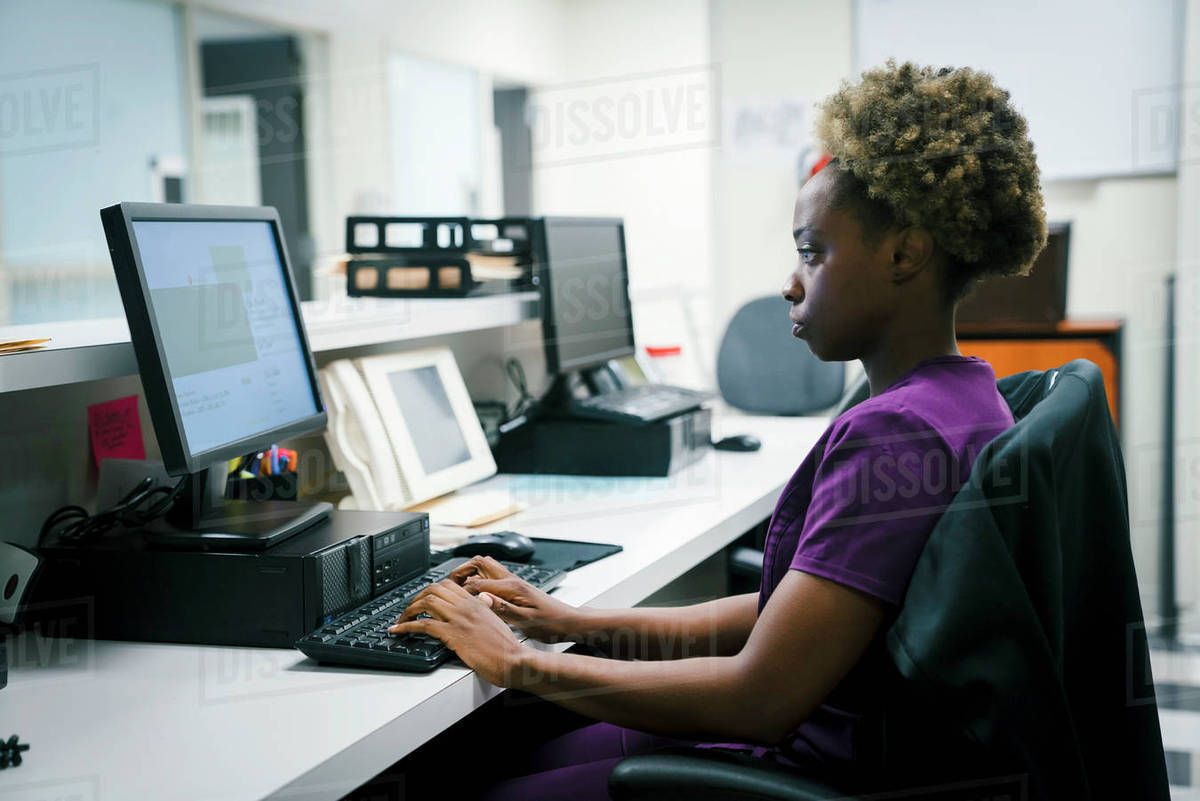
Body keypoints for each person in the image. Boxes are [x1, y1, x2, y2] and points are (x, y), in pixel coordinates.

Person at [388, 60, 1048, 799]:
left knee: (475, 775)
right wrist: (571, 621)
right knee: (499, 745)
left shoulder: (897, 436)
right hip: (829, 734)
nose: (791, 282)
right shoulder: (964, 399)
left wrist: (517, 662)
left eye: (812, 251)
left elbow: (759, 698)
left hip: (803, 756)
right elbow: (788, 612)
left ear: (904, 253)